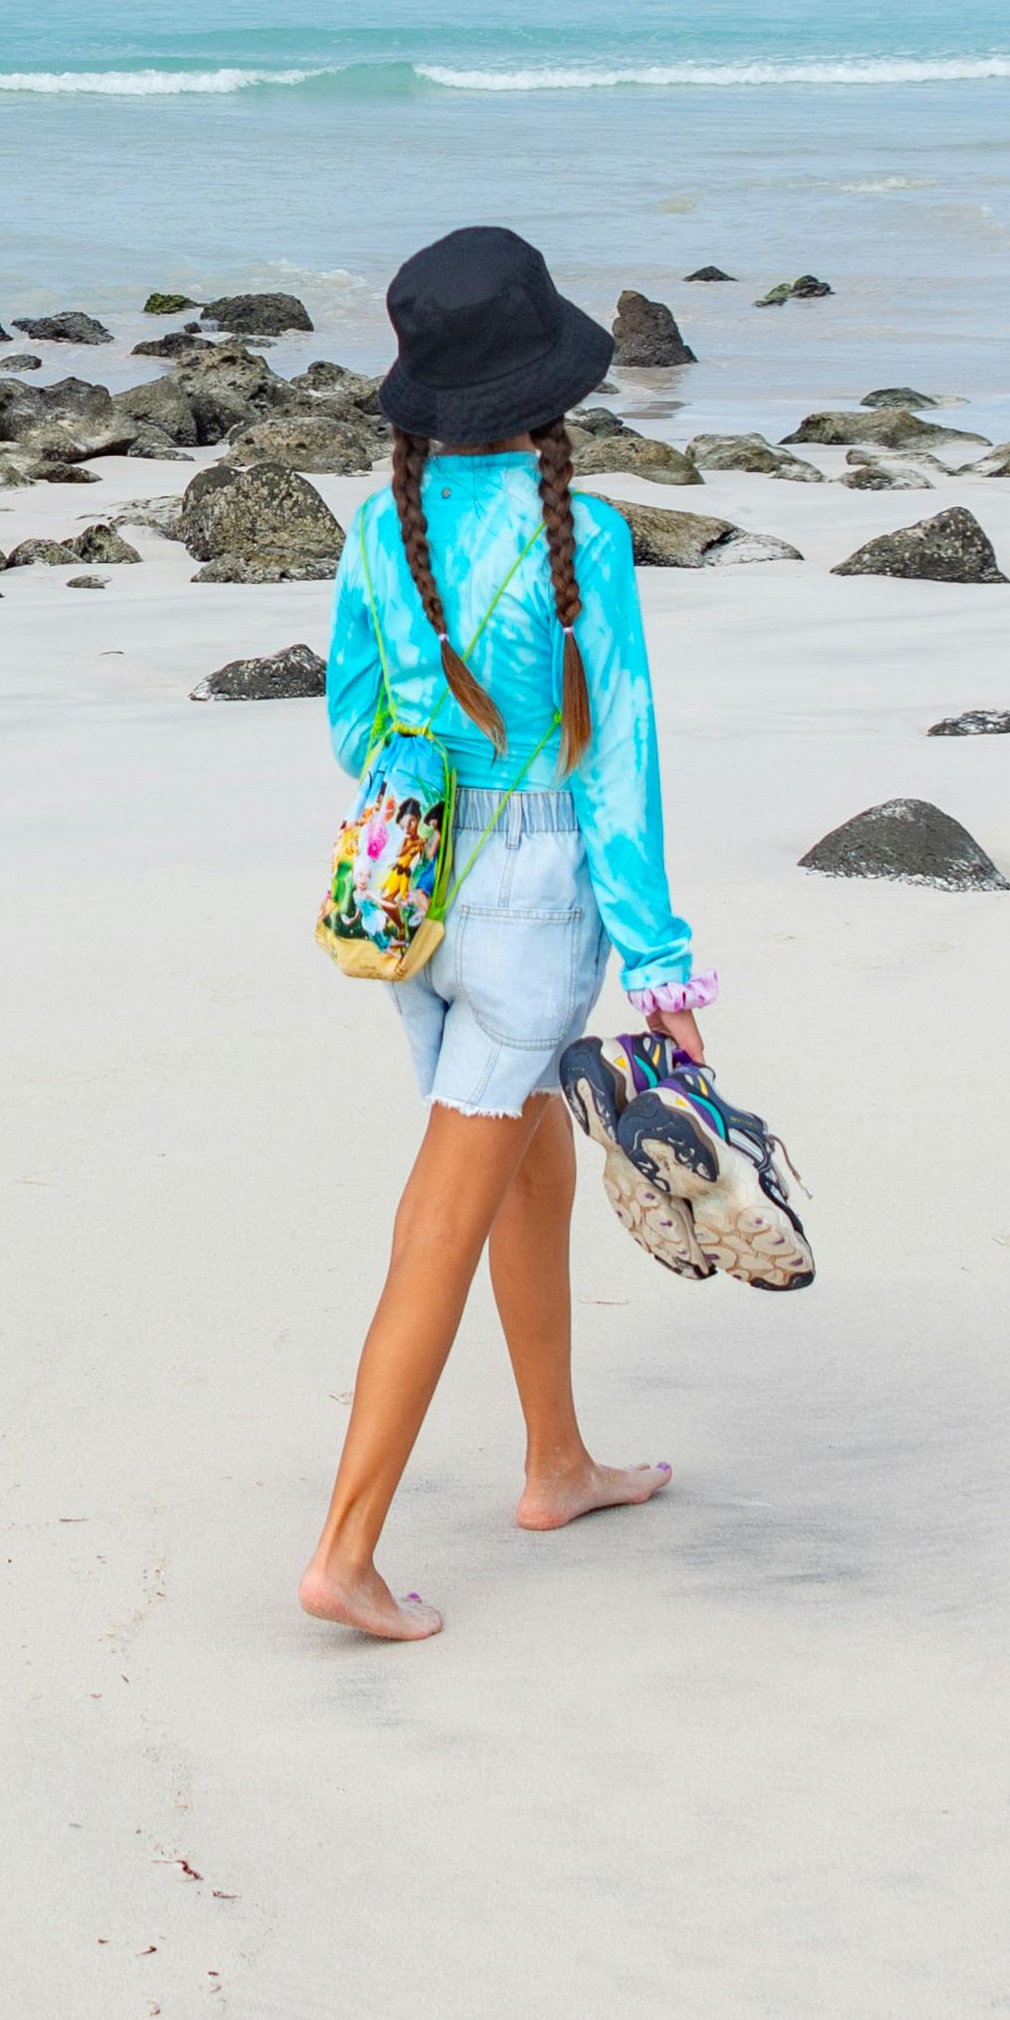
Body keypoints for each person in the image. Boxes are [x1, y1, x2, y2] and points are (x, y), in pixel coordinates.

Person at [301, 221, 702, 1640]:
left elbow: (354, 720)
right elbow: (617, 762)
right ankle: (343, 1554)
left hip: (412, 899)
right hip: (534, 904)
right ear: (545, 384)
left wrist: (424, 755)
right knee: (440, 1220)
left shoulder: (371, 526)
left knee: (525, 1163)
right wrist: (658, 961)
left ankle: (555, 1462)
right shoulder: (577, 533)